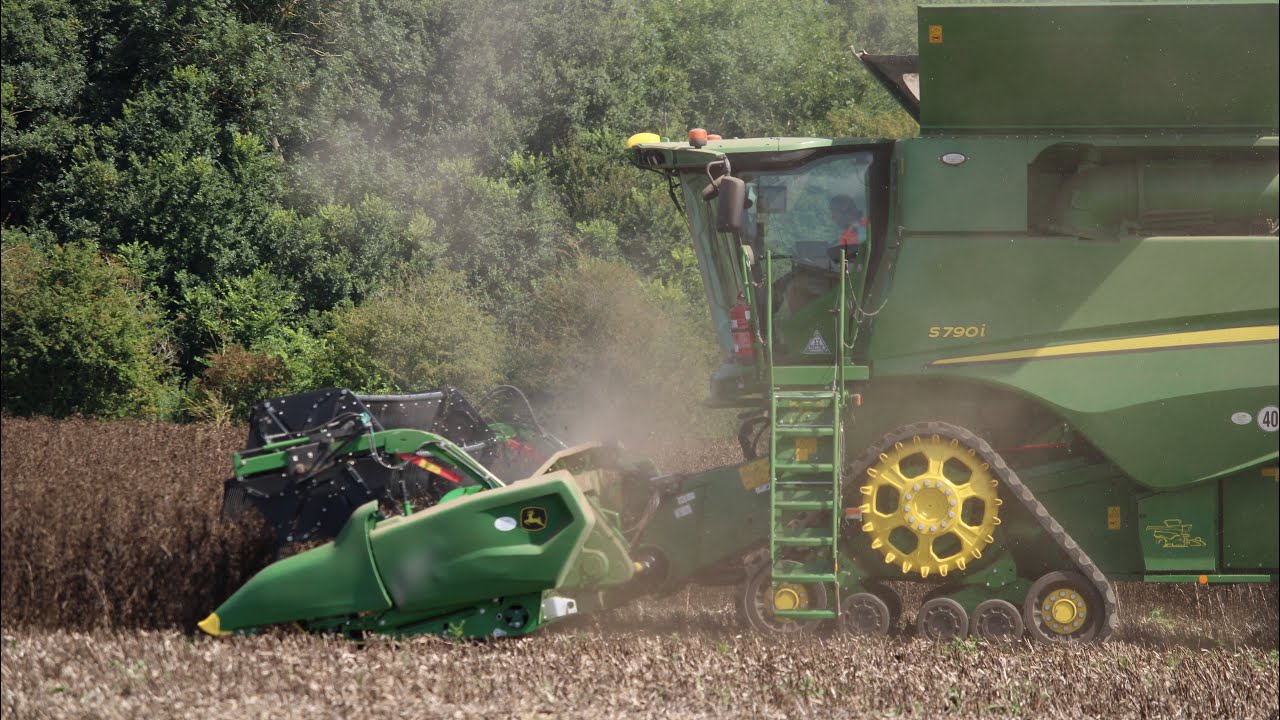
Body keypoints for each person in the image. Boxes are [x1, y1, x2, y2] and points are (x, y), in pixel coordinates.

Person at [827, 194, 866, 261]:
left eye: (834, 214)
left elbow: (853, 256)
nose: (832, 218)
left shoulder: (863, 230)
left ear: (845, 212)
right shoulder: (851, 229)